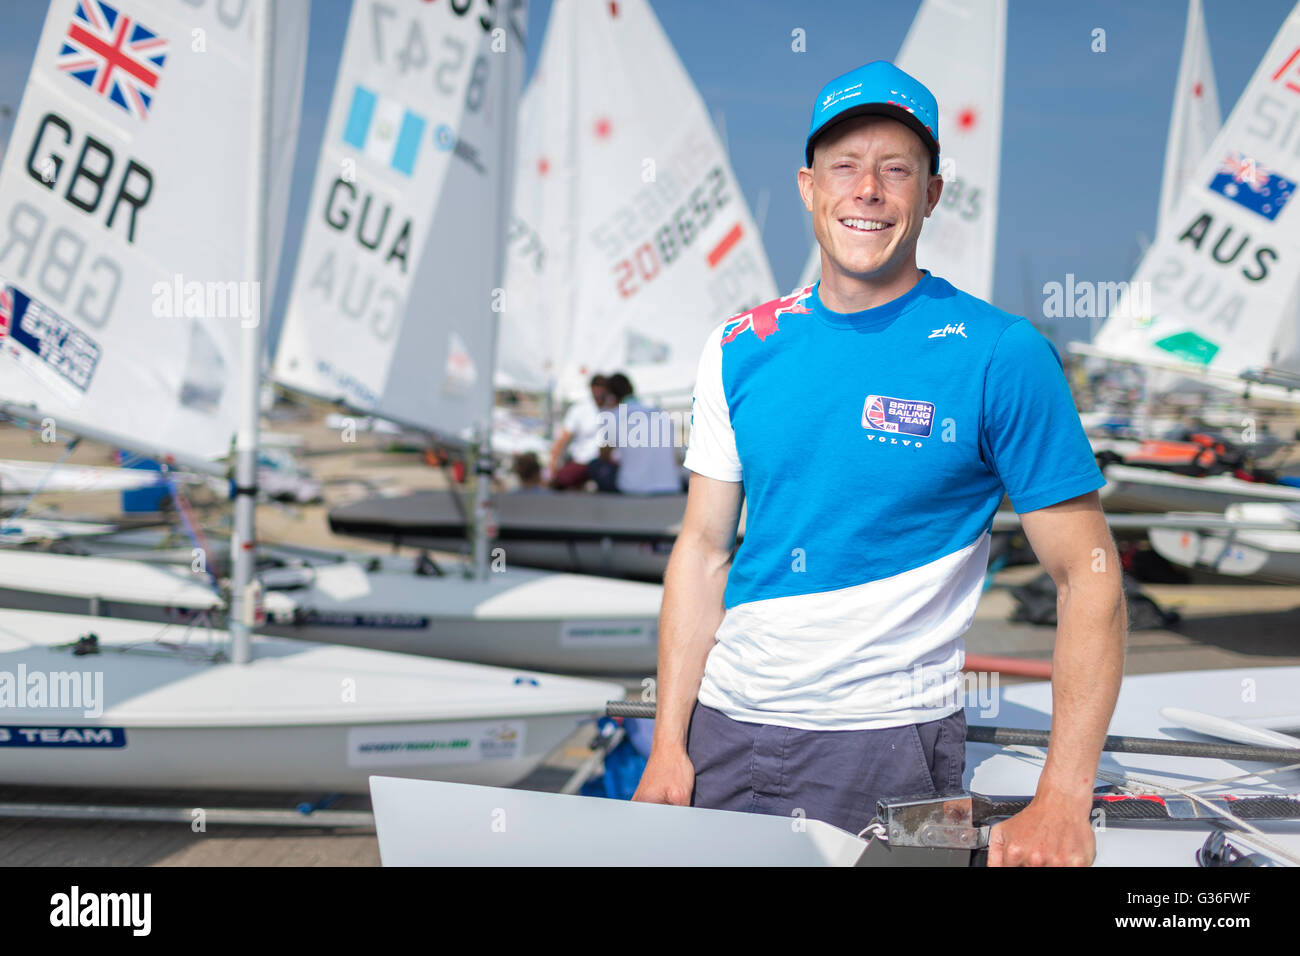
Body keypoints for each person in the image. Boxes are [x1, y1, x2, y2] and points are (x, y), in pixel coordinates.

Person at [632, 61, 1125, 868]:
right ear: (808, 185)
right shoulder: (739, 345)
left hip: (890, 748)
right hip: (722, 729)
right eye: (845, 167)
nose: (867, 189)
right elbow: (703, 550)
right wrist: (668, 745)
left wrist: (1062, 797)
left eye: (896, 169)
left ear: (931, 194)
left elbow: (1089, 574)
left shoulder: (1002, 354)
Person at [593, 372, 682, 495]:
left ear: (610, 397)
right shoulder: (660, 413)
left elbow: (604, 455)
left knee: (595, 465)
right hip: (670, 485)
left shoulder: (614, 416)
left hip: (634, 487)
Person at [549, 374, 609, 490]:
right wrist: (553, 464)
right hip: (582, 462)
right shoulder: (579, 410)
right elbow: (564, 438)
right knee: (560, 481)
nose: (598, 396)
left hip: (602, 464)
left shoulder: (613, 409)